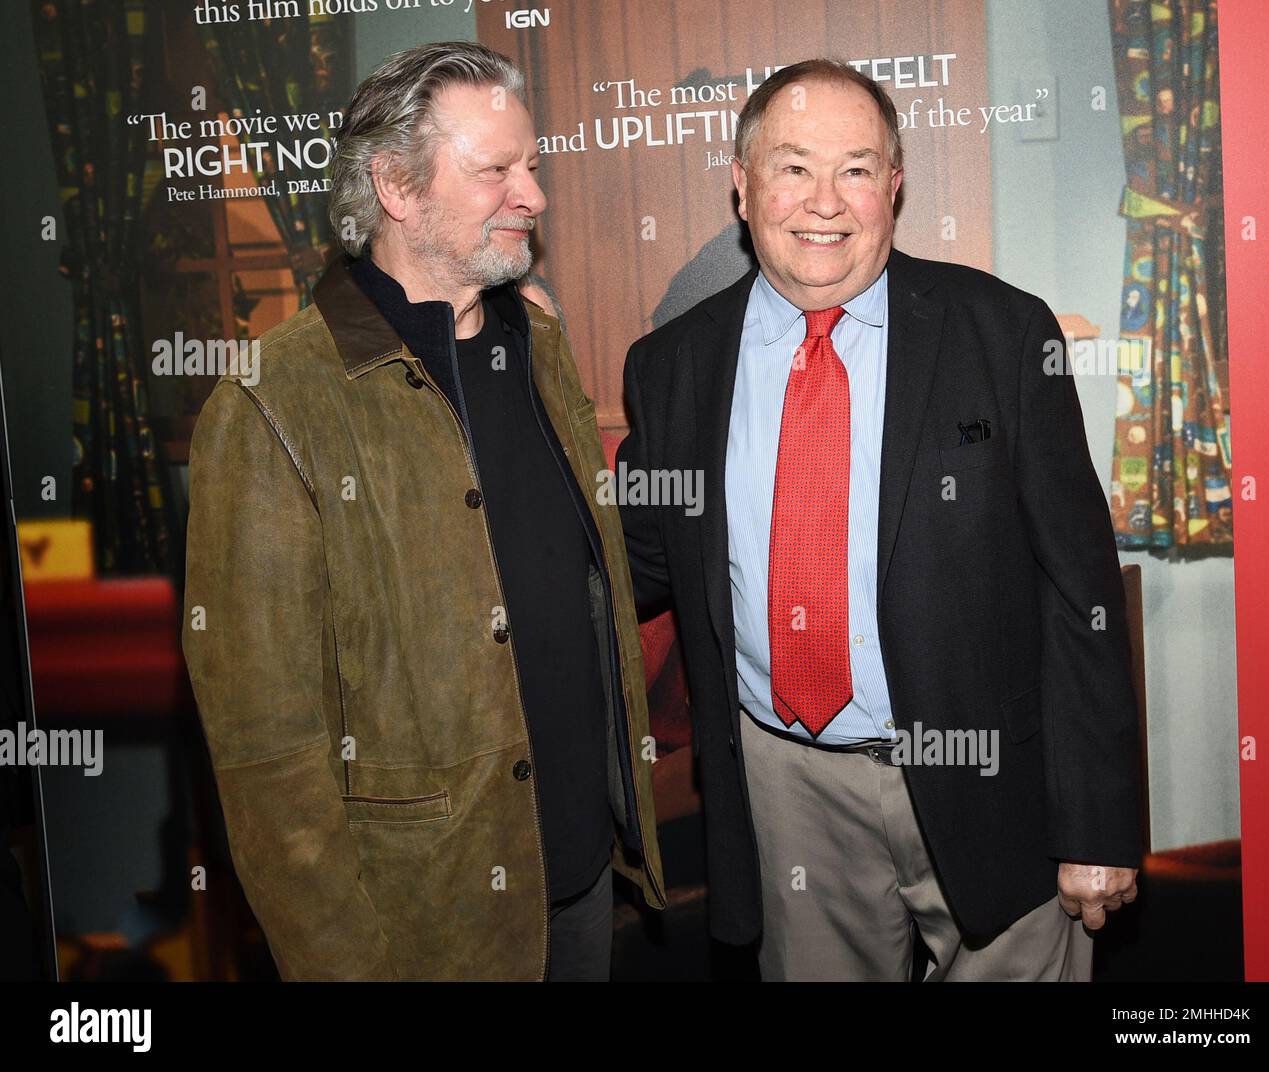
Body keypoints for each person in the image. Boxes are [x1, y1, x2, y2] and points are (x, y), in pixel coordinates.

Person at [616, 58, 1140, 981]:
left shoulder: (1003, 335)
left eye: (856, 168)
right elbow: (639, 565)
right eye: (792, 167)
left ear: (894, 187)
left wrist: (1097, 823)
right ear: (741, 186)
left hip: (990, 778)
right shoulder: (671, 368)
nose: (825, 201)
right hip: (788, 788)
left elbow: (1080, 589)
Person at [182, 41, 664, 982]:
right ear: (395, 187)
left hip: (578, 887)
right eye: (495, 170)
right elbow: (268, 756)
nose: (532, 194)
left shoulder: (537, 340)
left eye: (532, 165)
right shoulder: (273, 400)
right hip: (429, 931)